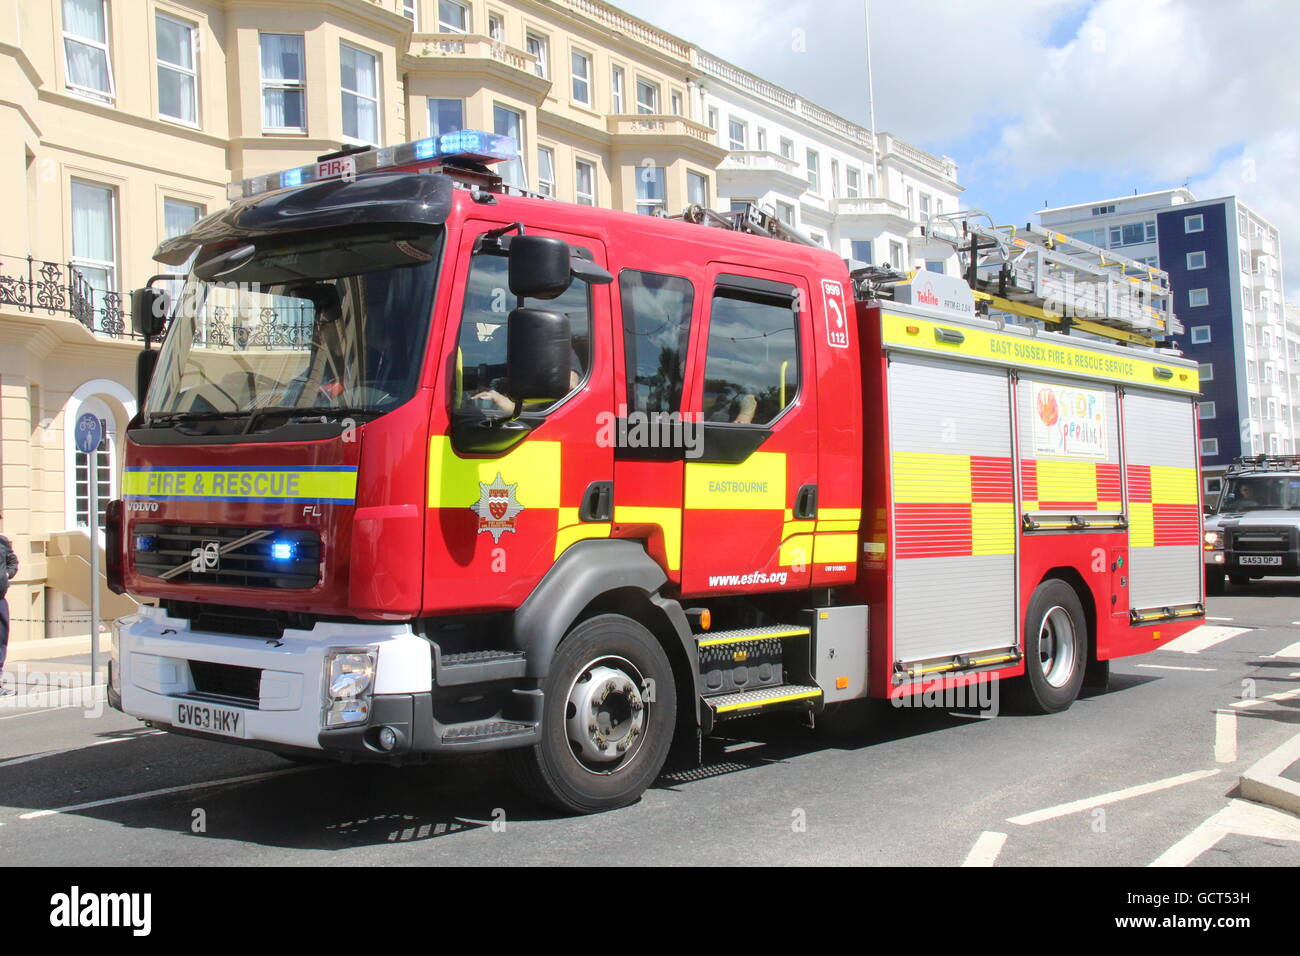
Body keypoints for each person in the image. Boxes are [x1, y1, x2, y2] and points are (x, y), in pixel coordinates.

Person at [0, 514, 17, 697]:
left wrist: (8, 574)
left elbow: (13, 561)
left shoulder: (3, 542)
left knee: (1, 639)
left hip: (0, 599)